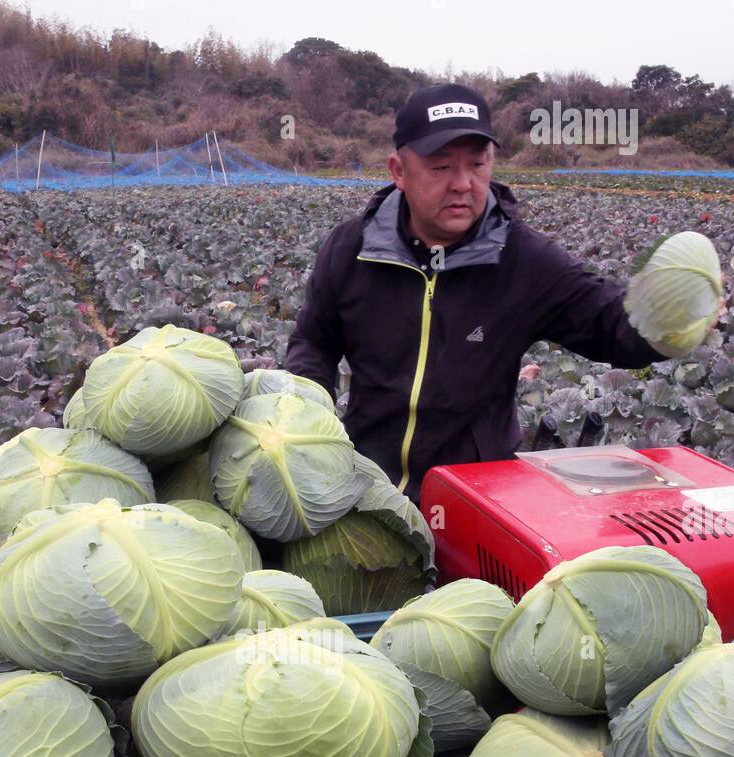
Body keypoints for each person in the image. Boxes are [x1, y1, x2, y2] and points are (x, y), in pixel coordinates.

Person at [285, 82, 668, 503]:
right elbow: (313, 341)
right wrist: (307, 418)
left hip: (476, 498)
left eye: (478, 164)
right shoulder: (352, 248)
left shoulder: (523, 259)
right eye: (441, 167)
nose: (463, 184)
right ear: (398, 171)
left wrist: (672, 316)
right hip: (364, 487)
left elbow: (609, 323)